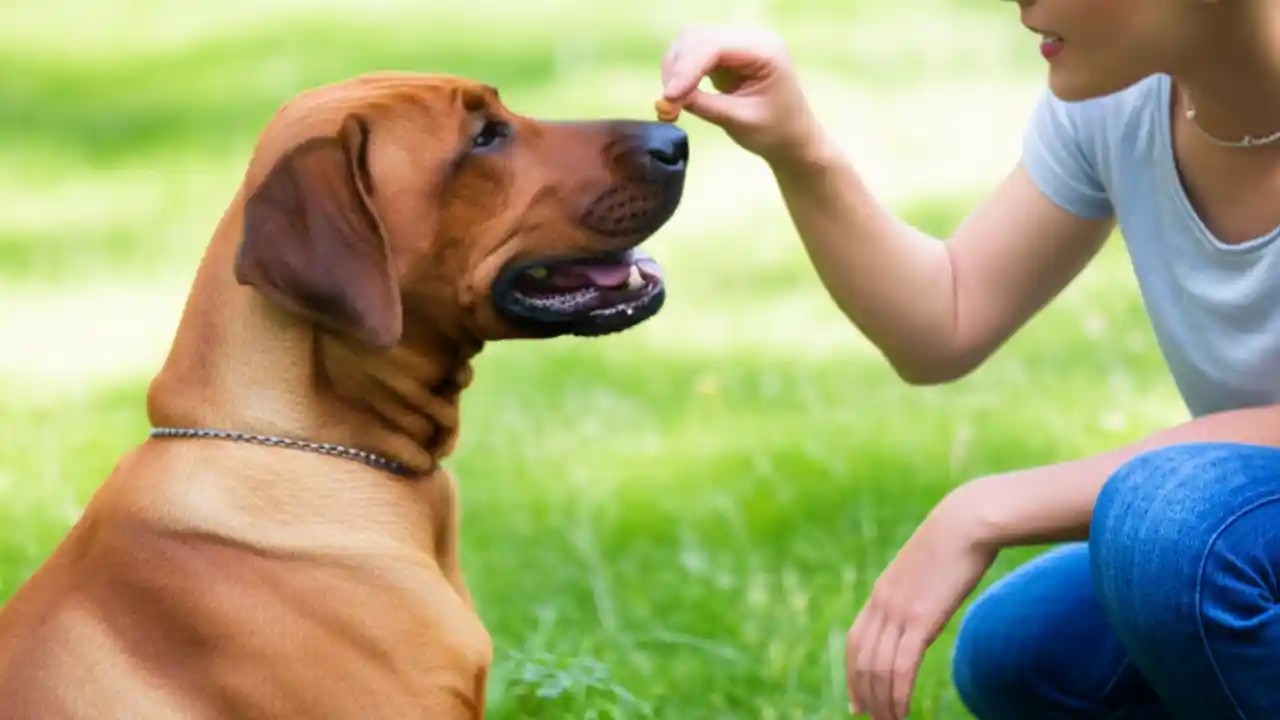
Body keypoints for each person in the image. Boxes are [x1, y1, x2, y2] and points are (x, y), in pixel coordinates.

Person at [659, 1, 1280, 718]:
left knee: (1171, 534)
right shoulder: (1125, 104)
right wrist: (799, 145)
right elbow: (946, 318)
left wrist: (987, 507)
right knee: (1023, 651)